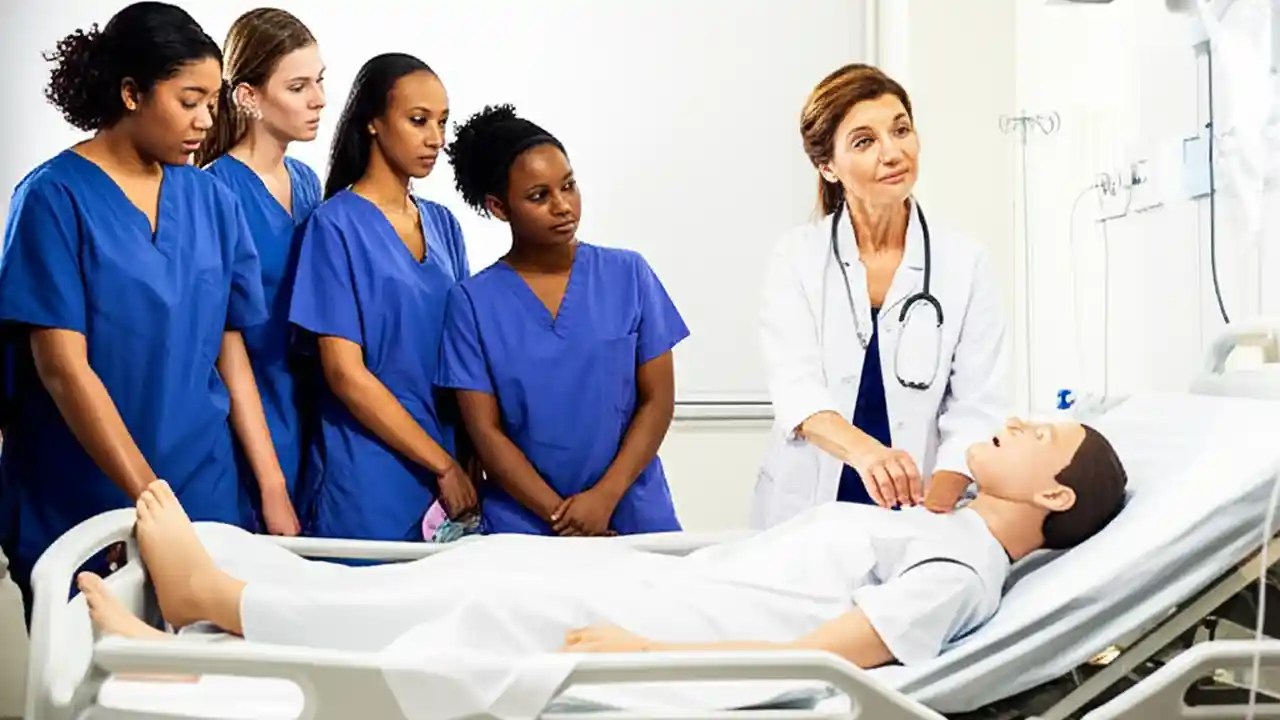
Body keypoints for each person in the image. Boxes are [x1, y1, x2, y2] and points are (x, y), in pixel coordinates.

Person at [77, 416, 1127, 671]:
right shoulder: (946, 531)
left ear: (1044, 489)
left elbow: (832, 656)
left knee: (478, 609)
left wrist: (644, 657)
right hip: (694, 584)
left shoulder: (958, 567)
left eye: (1039, 432)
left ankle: (218, 605)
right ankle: (206, 628)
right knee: (488, 561)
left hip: (684, 622)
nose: (1019, 417)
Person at [0, 2, 281, 620]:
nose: (207, 120)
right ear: (131, 92)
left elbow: (228, 347)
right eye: (189, 101)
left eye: (213, 102)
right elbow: (62, 370)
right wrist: (152, 502)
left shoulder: (210, 197)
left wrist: (272, 485)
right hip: (85, 495)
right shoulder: (53, 198)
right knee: (101, 694)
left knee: (216, 689)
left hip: (204, 485)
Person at [754, 63, 1012, 529]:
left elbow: (976, 407)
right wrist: (868, 454)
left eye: (901, 130)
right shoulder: (797, 257)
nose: (893, 152)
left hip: (925, 501)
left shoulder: (965, 262)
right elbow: (797, 389)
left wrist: (932, 515)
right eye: (865, 141)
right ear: (827, 165)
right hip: (811, 501)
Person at [437, 105, 689, 537]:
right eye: (539, 196)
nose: (563, 206)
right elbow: (486, 432)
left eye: (569, 186)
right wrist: (565, 517)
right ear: (499, 207)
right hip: (526, 523)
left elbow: (658, 401)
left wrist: (604, 498)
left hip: (630, 508)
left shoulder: (629, 275)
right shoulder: (473, 303)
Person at [287, 53, 477, 542]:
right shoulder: (335, 225)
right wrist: (441, 464)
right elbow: (345, 374)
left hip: (449, 474)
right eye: (418, 121)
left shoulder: (444, 226)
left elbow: (466, 355)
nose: (434, 138)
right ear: (373, 121)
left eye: (441, 122)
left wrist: (469, 456)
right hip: (368, 472)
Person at [198, 8, 327, 535]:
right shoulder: (214, 190)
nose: (318, 99)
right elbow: (225, 342)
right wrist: (272, 485)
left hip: (311, 409)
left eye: (320, 81)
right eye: (298, 86)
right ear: (248, 96)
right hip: (249, 417)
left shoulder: (309, 183)